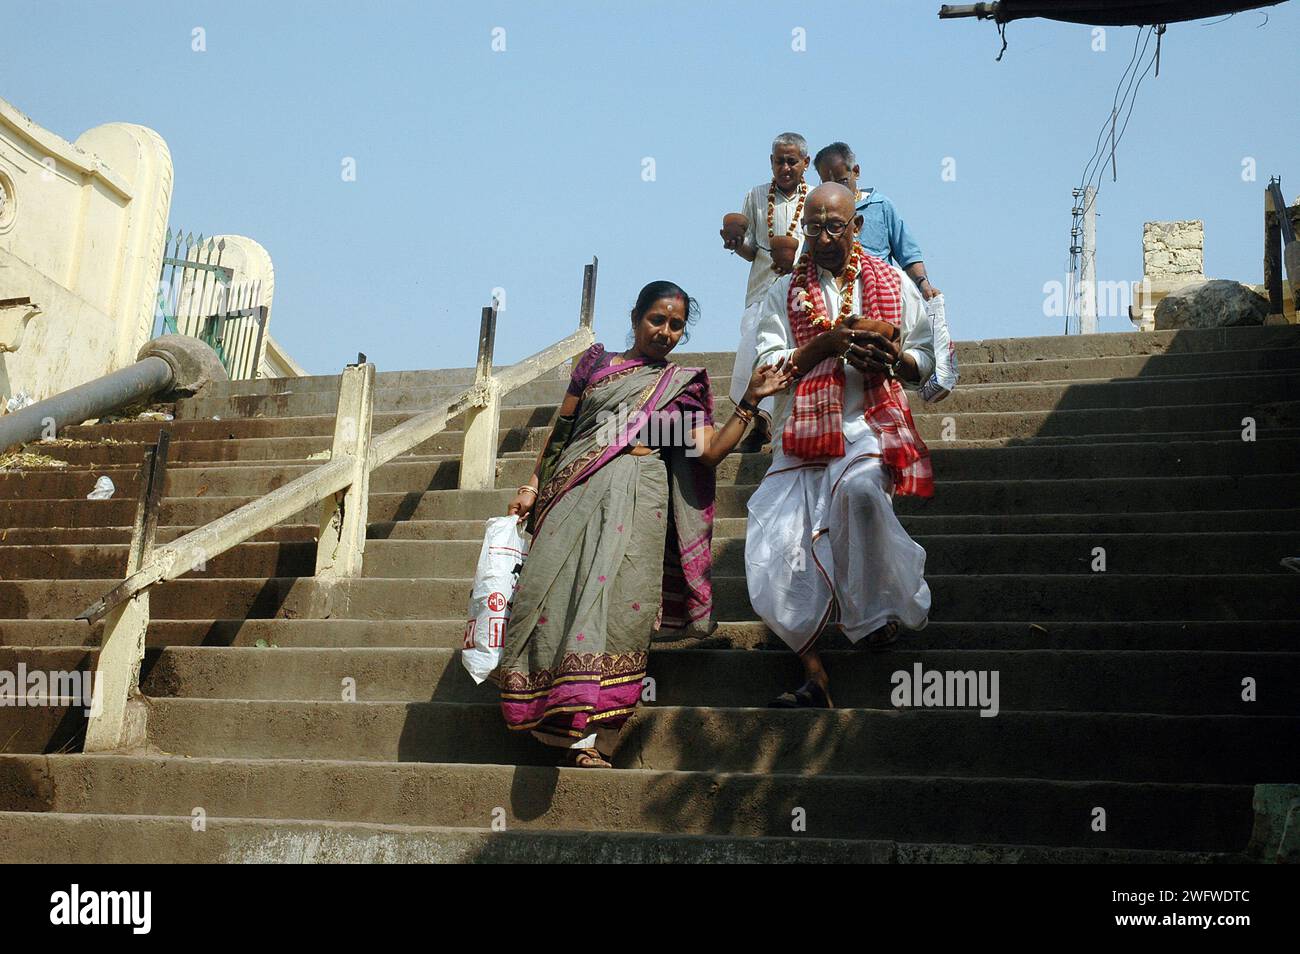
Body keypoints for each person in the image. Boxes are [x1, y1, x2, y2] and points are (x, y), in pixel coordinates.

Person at [500, 281, 794, 767]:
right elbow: (563, 433)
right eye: (657, 319)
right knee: (548, 594)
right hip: (573, 493)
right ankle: (547, 713)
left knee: (621, 612)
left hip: (640, 502)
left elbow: (710, 451)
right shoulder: (595, 364)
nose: (665, 332)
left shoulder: (681, 387)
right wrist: (532, 486)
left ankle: (597, 738)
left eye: (676, 325)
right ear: (635, 316)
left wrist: (752, 400)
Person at [744, 184, 936, 709]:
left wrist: (893, 361)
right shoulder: (783, 292)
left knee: (863, 496)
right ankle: (813, 668)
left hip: (867, 425)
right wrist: (825, 345)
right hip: (805, 434)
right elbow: (772, 368)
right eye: (813, 227)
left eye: (835, 227)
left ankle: (873, 616)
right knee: (775, 549)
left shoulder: (893, 281)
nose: (824, 237)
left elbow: (926, 357)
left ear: (856, 228)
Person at [814, 141, 958, 402]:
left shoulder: (881, 206)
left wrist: (924, 284)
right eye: (828, 183)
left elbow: (906, 250)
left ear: (856, 171)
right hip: (837, 298)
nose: (837, 188)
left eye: (843, 180)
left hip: (880, 299)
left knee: (884, 357)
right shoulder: (820, 213)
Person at [722, 132, 811, 450]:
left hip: (803, 293)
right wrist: (736, 244)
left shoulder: (815, 198)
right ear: (771, 163)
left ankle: (792, 426)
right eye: (778, 161)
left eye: (791, 161)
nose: (784, 167)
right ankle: (760, 421)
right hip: (761, 290)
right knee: (753, 346)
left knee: (792, 354)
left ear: (806, 163)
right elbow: (751, 250)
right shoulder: (755, 195)